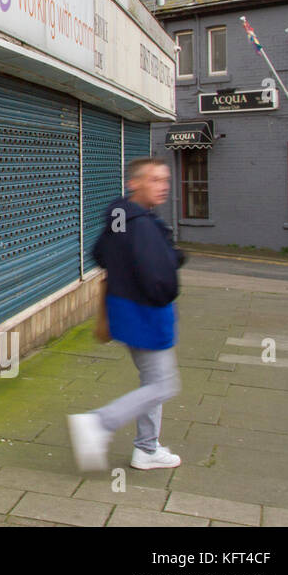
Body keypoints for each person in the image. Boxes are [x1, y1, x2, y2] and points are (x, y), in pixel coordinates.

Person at [68, 156, 185, 472]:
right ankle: (99, 423)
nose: (162, 187)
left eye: (165, 180)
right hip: (148, 314)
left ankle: (147, 448)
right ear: (134, 183)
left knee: (152, 382)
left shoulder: (120, 216)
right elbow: (161, 280)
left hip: (123, 309)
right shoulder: (143, 225)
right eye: (154, 179)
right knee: (163, 386)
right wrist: (172, 260)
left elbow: (99, 254)